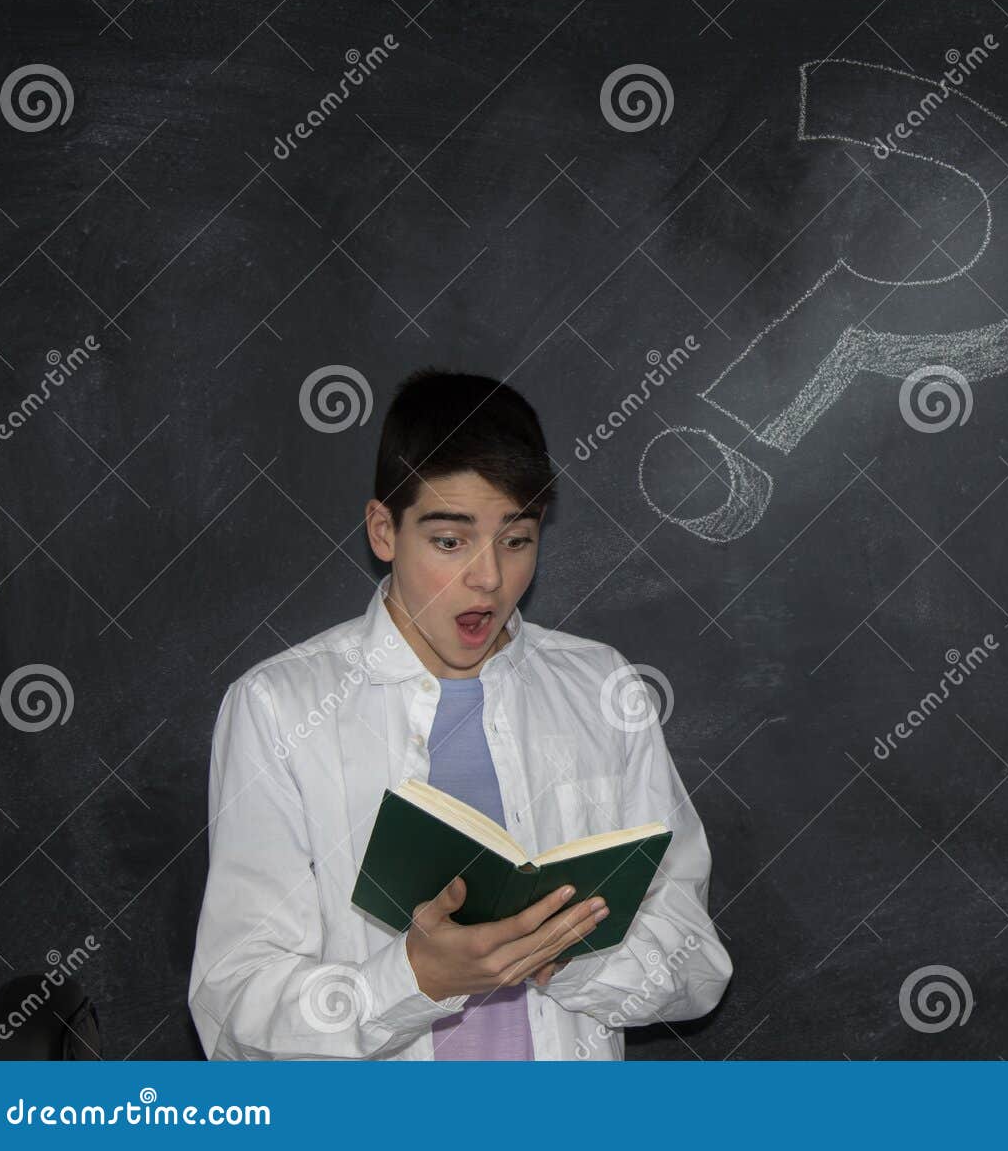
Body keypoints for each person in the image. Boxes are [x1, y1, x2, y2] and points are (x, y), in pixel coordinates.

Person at [187, 368, 732, 1059]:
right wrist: (414, 979)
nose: (489, 578)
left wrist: (560, 952)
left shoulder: (600, 686)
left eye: (516, 539)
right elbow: (233, 1011)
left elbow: (698, 962)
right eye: (450, 541)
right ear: (384, 530)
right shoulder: (278, 706)